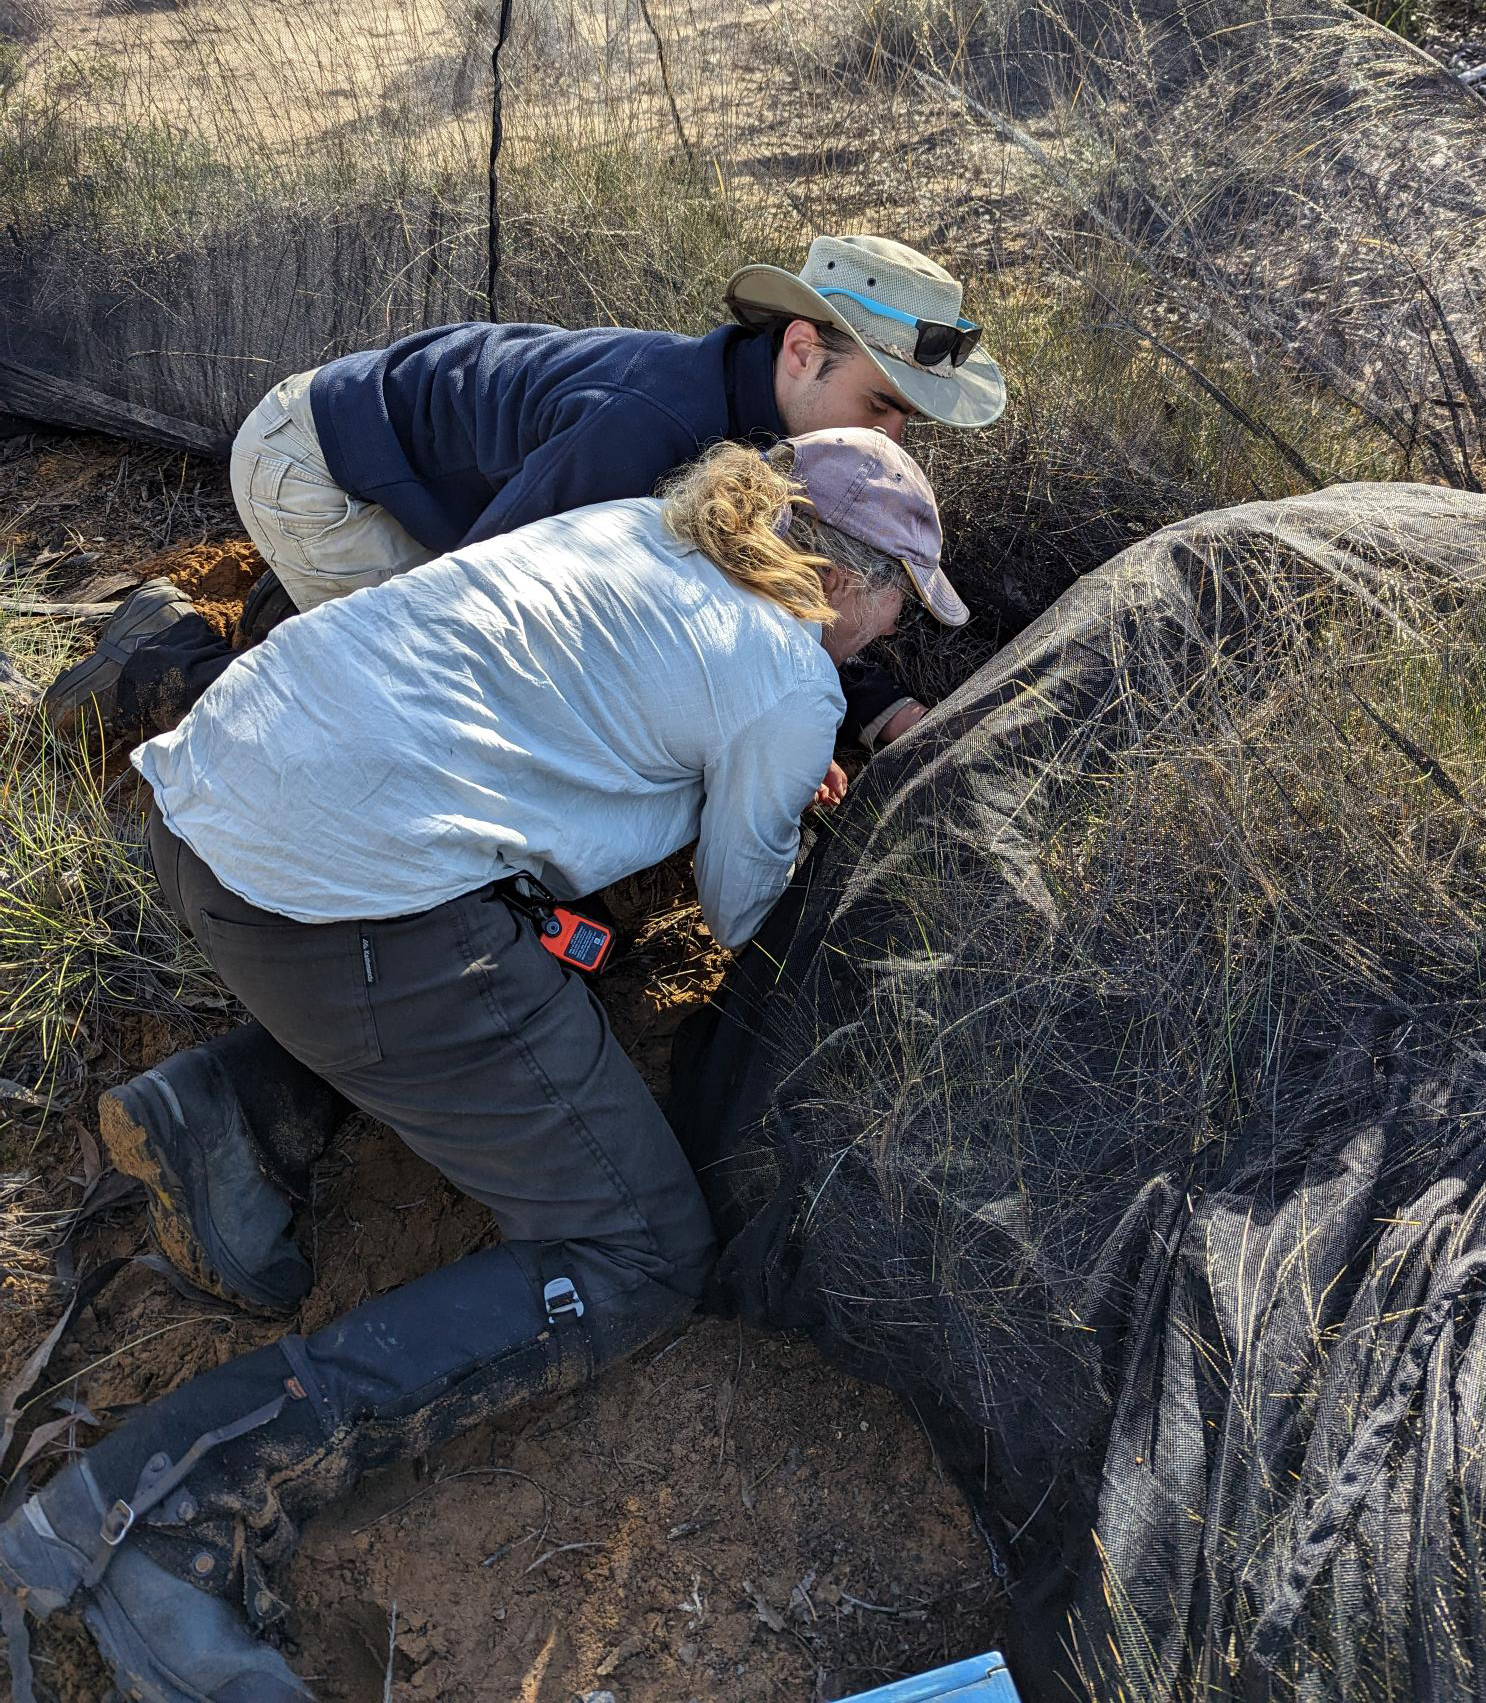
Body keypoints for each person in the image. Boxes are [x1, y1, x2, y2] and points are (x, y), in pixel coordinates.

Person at [0, 427, 968, 1701]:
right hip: (342, 916)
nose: (887, 631)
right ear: (848, 576)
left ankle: (233, 1112)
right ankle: (156, 1521)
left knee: (556, 946)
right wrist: (800, 814)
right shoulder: (784, 679)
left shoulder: (641, 528)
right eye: (900, 598)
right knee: (637, 1254)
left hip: (218, 817)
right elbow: (744, 912)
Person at [43, 233, 1005, 748]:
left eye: (905, 419)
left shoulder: (779, 429)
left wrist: (873, 705)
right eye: (884, 403)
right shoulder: (652, 432)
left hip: (430, 477)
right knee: (408, 703)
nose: (888, 437)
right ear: (801, 347)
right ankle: (163, 663)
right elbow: (469, 606)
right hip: (317, 464)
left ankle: (283, 603)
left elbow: (795, 589)